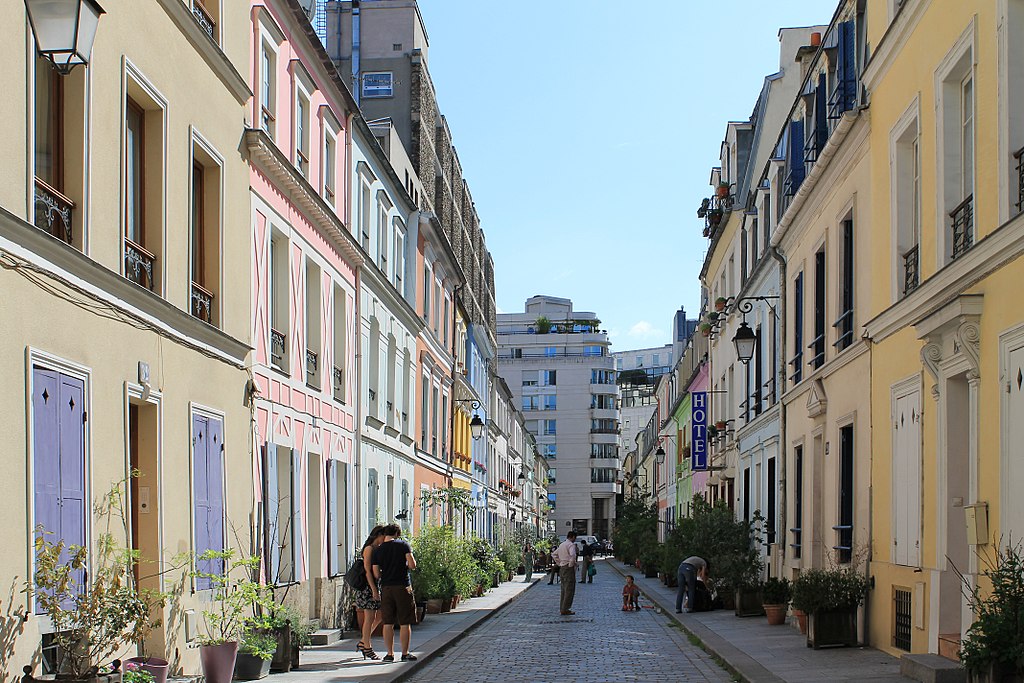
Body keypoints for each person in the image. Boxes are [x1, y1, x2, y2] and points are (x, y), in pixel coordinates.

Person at [372, 524, 419, 662]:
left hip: (386, 588)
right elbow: (412, 565)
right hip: (403, 586)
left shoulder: (378, 551)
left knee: (388, 622)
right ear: (397, 534)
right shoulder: (403, 545)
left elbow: (376, 573)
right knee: (405, 621)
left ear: (385, 534)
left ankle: (389, 654)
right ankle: (405, 653)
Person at [355, 525, 385, 660]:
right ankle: (367, 647)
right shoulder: (369, 549)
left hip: (374, 586)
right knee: (369, 618)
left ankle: (363, 641)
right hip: (368, 587)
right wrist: (374, 590)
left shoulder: (376, 549)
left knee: (379, 616)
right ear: (378, 535)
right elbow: (367, 571)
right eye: (384, 536)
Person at [552, 531, 578, 615]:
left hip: (562, 567)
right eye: (575, 537)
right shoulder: (571, 545)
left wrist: (559, 563)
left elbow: (554, 554)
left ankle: (562, 607)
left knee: (563, 589)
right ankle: (565, 608)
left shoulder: (562, 544)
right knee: (569, 589)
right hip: (568, 567)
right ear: (573, 537)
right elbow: (573, 555)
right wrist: (571, 564)